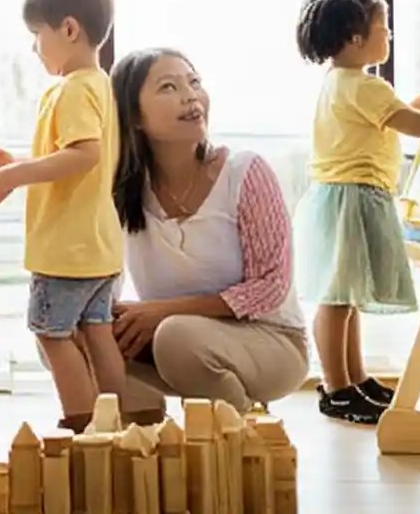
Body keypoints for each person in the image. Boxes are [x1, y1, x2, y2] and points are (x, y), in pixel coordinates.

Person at [294, 0, 420, 423]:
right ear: (355, 39)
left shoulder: (345, 82)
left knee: (345, 297)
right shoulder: (363, 86)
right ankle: (337, 387)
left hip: (347, 196)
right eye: (383, 27)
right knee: (337, 300)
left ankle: (352, 379)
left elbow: (399, 116)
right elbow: (416, 124)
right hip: (351, 198)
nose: (390, 35)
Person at [109, 48, 309, 423]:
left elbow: (270, 287)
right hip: (178, 340)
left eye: (194, 82)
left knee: (175, 337)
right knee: (74, 333)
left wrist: (163, 312)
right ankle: (148, 432)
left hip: (272, 340)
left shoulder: (245, 172)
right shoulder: (124, 192)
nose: (190, 96)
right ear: (134, 116)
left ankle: (243, 434)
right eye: (169, 87)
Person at [0, 0, 125, 434]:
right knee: (97, 334)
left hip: (66, 252)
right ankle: (119, 423)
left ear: (69, 29)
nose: (34, 47)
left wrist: (16, 174)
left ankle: (83, 430)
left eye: (37, 35)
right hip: (99, 248)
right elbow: (69, 162)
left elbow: (83, 155)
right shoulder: (100, 86)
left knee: (52, 333)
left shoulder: (72, 90)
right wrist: (14, 161)